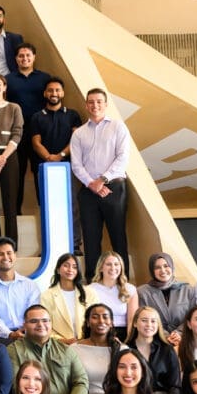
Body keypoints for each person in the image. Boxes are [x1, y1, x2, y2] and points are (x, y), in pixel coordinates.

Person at [69, 88, 130, 280]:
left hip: (114, 187)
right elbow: (76, 164)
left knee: (118, 236)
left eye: (99, 102)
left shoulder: (118, 127)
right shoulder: (79, 133)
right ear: (86, 105)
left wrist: (102, 180)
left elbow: (123, 157)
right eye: (91, 102)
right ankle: (92, 281)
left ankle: (123, 280)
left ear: (105, 104)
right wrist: (92, 184)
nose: (95, 105)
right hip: (88, 190)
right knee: (91, 238)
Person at [28, 77, 82, 204]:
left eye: (58, 90)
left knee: (69, 203)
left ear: (62, 93)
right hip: (43, 166)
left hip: (68, 166)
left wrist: (60, 156)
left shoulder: (73, 115)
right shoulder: (37, 116)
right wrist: (49, 158)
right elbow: (36, 143)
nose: (54, 93)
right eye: (50, 90)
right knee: (46, 203)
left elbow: (75, 140)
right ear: (45, 93)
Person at [0, 237, 41, 341]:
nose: (5, 257)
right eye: (0, 254)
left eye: (9, 253)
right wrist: (10, 334)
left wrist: (25, 330)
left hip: (29, 334)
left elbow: (34, 312)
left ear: (15, 256)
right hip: (2, 338)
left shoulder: (30, 286)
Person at [124, 306, 182, 394]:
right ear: (135, 323)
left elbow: (175, 384)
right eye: (144, 320)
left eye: (153, 321)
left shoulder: (167, 350)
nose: (149, 325)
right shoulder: (126, 350)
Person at [75, 303, 127, 394]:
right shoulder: (74, 349)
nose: (101, 321)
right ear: (88, 323)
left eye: (105, 317)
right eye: (95, 317)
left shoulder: (123, 350)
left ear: (112, 323)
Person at [136, 252, 192, 344]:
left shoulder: (187, 289)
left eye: (166, 266)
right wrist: (165, 336)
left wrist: (179, 333)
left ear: (172, 267)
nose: (163, 270)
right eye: (157, 267)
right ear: (152, 270)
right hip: (155, 341)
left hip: (185, 339)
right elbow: (143, 319)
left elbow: (193, 316)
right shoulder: (142, 292)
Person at [38, 253, 91, 344]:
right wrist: (63, 341)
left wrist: (86, 340)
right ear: (58, 270)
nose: (70, 270)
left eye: (74, 267)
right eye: (66, 265)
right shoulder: (46, 296)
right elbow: (44, 325)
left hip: (87, 343)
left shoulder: (89, 293)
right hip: (59, 345)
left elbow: (95, 320)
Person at [87, 252, 139, 340]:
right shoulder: (90, 289)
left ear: (121, 267)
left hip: (124, 334)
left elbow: (132, 320)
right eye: (108, 264)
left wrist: (128, 342)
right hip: (99, 334)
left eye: (116, 264)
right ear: (100, 268)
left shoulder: (130, 289)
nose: (113, 268)